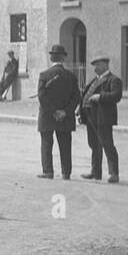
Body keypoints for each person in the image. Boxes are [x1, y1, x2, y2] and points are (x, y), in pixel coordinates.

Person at [36, 43, 80, 180]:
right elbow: (76, 97)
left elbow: (42, 96)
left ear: (51, 58)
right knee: (65, 144)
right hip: (65, 117)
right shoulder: (71, 76)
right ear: (63, 58)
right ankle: (66, 173)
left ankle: (48, 171)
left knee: (46, 144)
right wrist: (65, 112)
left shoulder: (44, 75)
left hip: (47, 115)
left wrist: (53, 111)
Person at [79, 53, 122, 183]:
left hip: (103, 117)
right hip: (91, 116)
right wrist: (79, 109)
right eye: (94, 65)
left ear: (104, 65)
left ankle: (114, 173)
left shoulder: (113, 80)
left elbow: (116, 96)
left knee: (107, 144)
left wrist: (100, 97)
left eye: (97, 65)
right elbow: (86, 95)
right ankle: (95, 171)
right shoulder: (95, 80)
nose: (95, 68)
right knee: (94, 145)